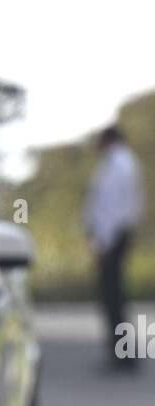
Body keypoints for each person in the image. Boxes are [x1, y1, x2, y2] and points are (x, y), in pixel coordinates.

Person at [83, 125, 145, 367]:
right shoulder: (122, 163)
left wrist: (102, 242)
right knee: (114, 296)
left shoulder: (117, 165)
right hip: (116, 236)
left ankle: (123, 355)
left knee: (113, 297)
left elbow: (110, 209)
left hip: (113, 237)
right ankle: (122, 353)